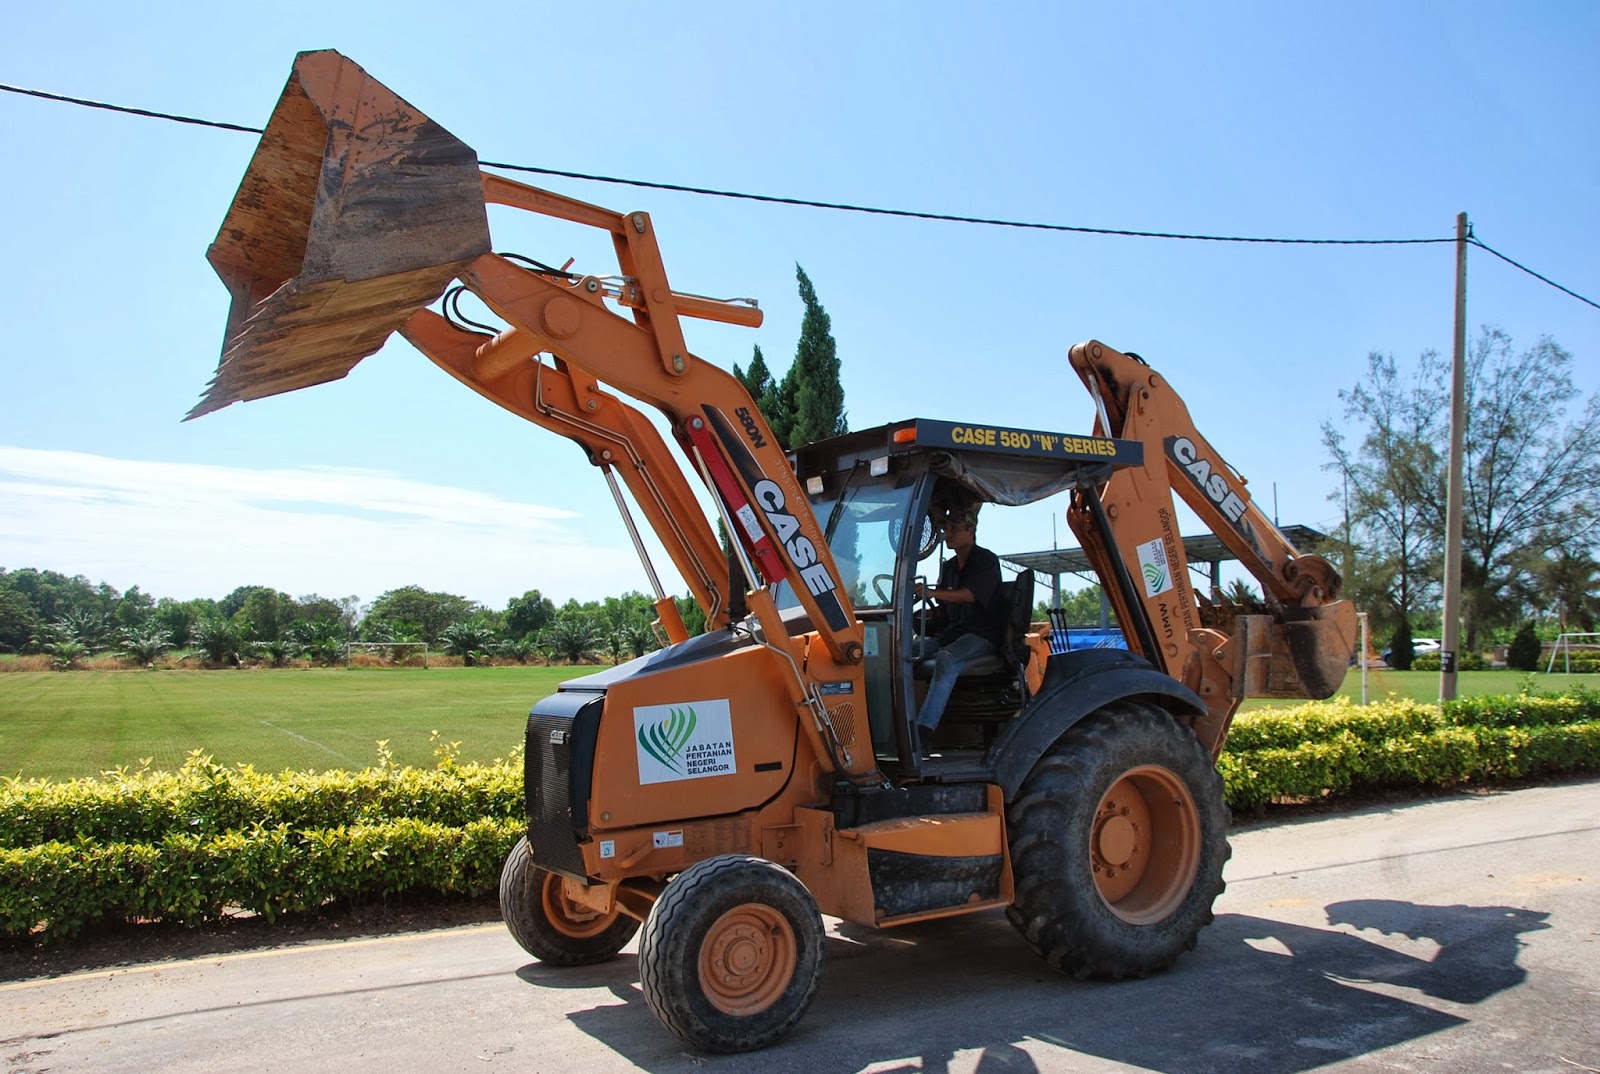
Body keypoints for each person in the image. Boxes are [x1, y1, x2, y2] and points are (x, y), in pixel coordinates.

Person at [912, 506, 1003, 752]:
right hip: (952, 632)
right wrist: (929, 613)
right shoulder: (950, 567)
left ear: (970, 530)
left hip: (981, 635)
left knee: (947, 658)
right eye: (945, 529)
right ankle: (901, 724)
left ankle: (923, 732)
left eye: (953, 529)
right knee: (907, 650)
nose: (947, 534)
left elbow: (969, 596)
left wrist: (931, 592)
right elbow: (946, 607)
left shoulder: (985, 561)